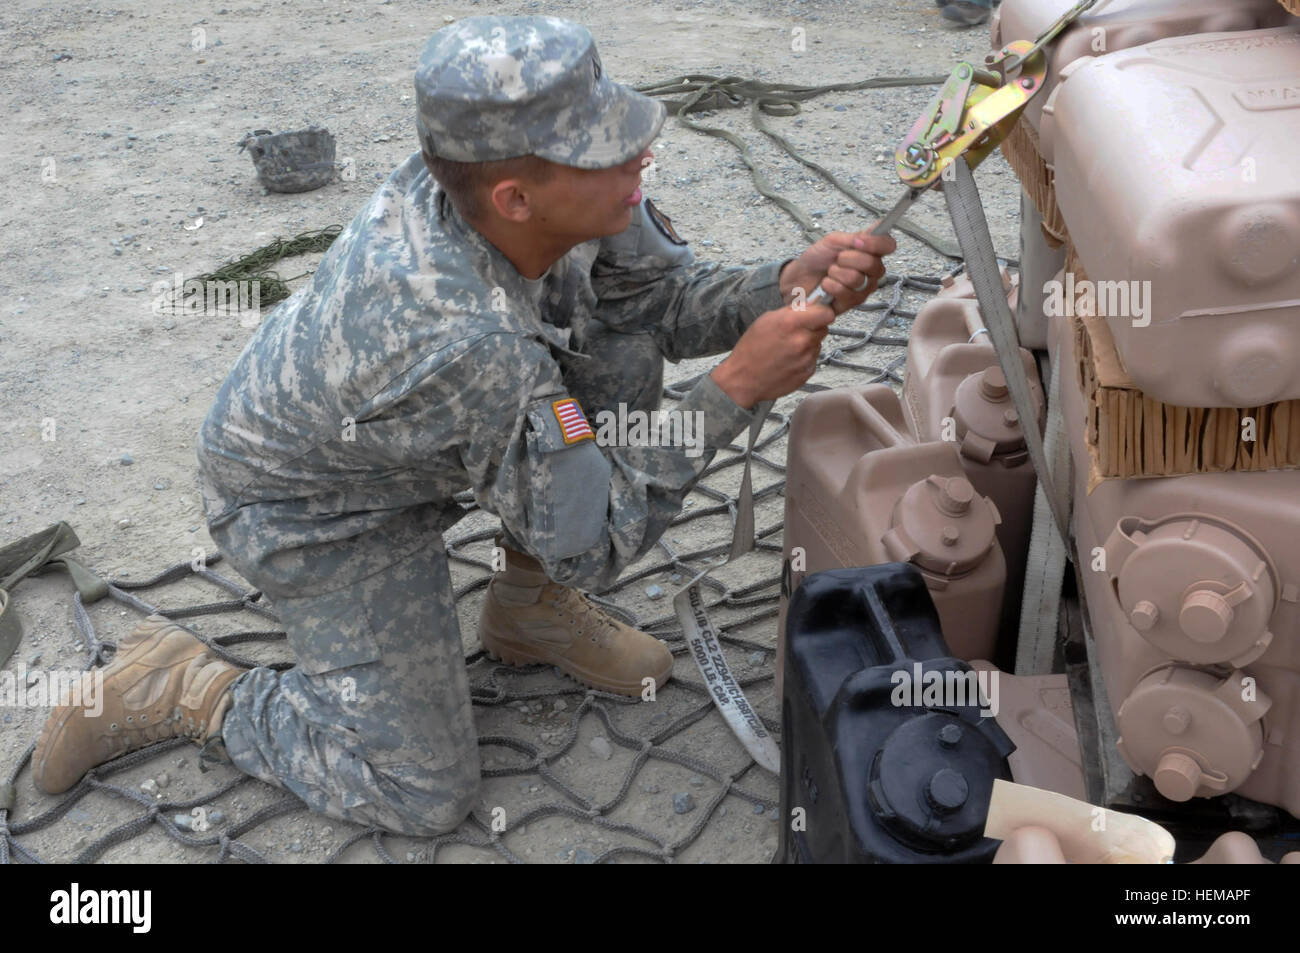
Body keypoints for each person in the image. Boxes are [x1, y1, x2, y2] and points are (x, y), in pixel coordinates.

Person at [32, 15, 895, 836]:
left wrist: (779, 283)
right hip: (316, 511)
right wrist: (735, 389)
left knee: (615, 341)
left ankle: (524, 602)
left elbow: (658, 302)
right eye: (603, 149)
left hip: (436, 441)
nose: (640, 150)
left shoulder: (546, 201)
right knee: (419, 788)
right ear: (518, 197)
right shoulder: (453, 330)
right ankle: (181, 685)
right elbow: (594, 542)